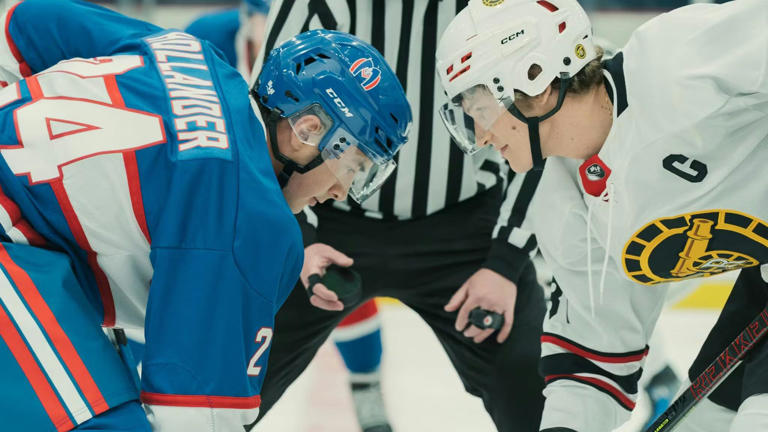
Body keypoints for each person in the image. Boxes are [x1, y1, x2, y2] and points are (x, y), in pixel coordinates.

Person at [0, 0, 411, 430]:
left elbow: (22, 22)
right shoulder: (249, 218)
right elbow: (196, 417)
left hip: (34, 257)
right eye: (352, 165)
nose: (341, 190)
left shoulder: (190, 50)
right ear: (307, 131)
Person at [436, 0, 768, 431]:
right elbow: (595, 355)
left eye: (481, 110)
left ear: (533, 79)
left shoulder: (678, 59)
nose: (480, 135)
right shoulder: (561, 193)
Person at [250, 1, 548, 431]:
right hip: (325, 221)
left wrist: (505, 262)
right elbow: (274, 117)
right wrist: (300, 239)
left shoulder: (499, 7)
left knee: (533, 387)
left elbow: (543, 132)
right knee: (230, 378)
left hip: (466, 236)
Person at [185, 6, 396, 431]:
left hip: (298, 181)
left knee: (339, 282)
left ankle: (366, 384)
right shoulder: (210, 37)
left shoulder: (311, 59)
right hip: (236, 187)